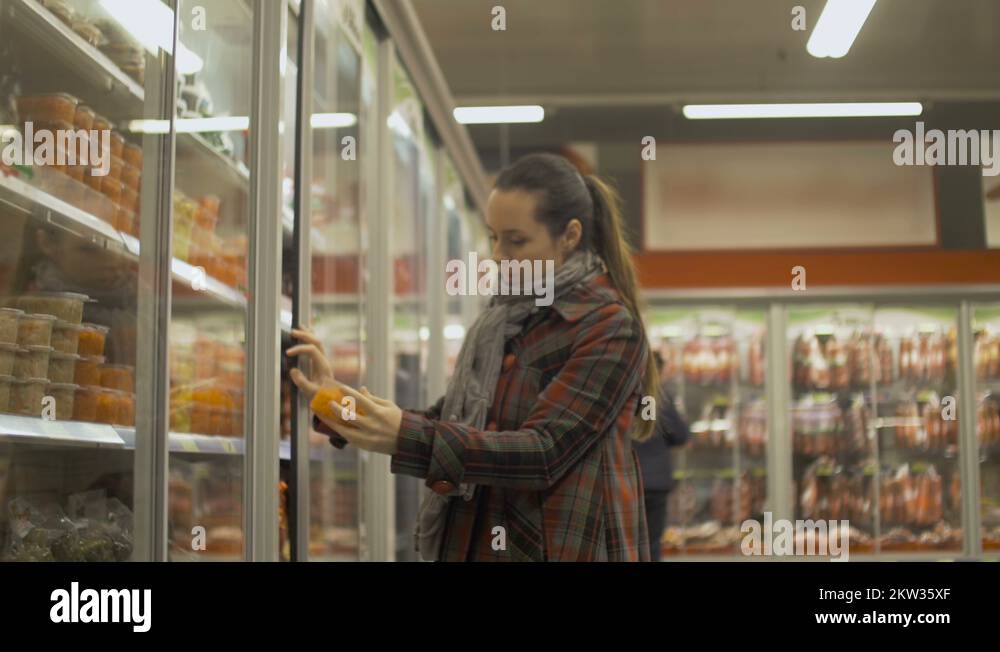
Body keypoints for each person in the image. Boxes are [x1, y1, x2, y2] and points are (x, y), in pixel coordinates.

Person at [288, 152, 659, 561]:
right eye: (493, 237)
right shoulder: (505, 316)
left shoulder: (609, 326)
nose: (498, 255)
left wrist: (402, 434)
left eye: (516, 240)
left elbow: (544, 452)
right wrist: (336, 402)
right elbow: (454, 420)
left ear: (569, 236)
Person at [633, 351, 690, 561]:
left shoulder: (624, 395)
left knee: (629, 541)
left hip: (629, 479)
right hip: (656, 482)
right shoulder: (660, 398)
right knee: (652, 543)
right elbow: (681, 435)